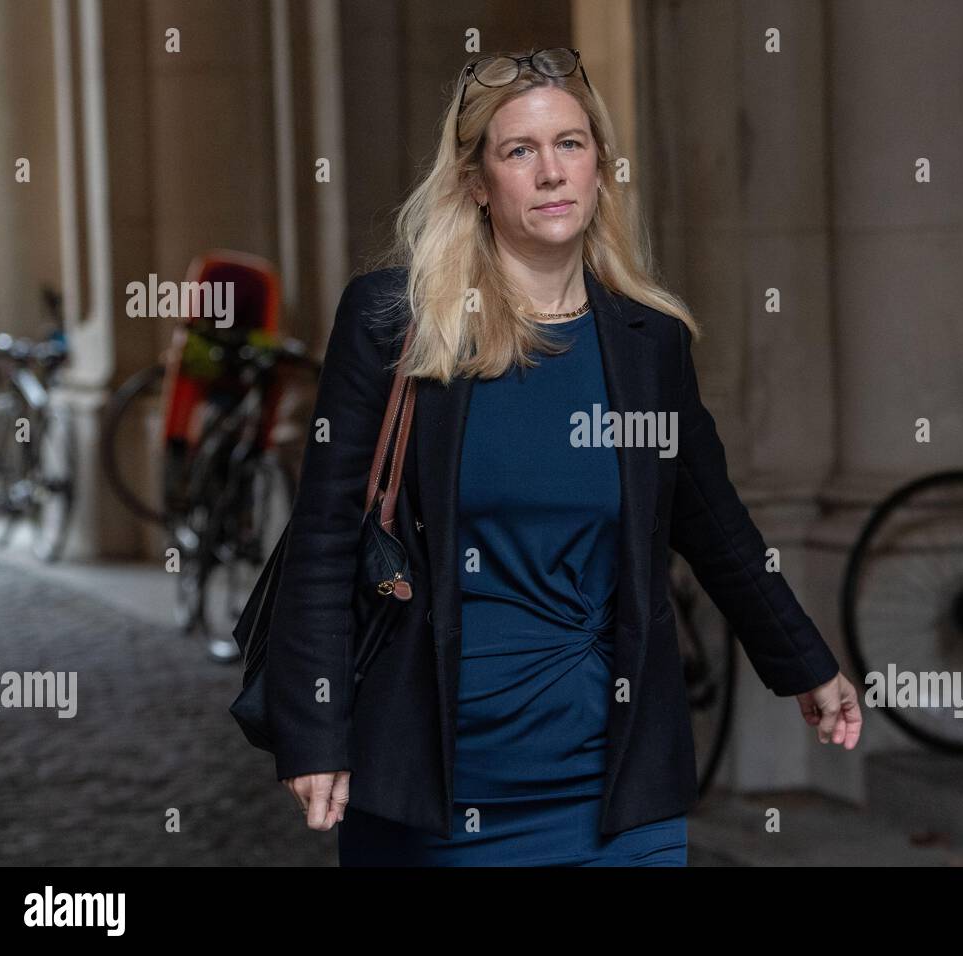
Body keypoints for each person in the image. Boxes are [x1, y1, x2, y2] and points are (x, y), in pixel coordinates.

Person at [267, 47, 863, 866]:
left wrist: (804, 660)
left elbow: (713, 519)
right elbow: (325, 541)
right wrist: (313, 730)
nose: (551, 172)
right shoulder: (394, 325)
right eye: (520, 151)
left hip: (614, 784)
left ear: (600, 167)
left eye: (571, 145)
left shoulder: (648, 340)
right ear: (477, 181)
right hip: (445, 784)